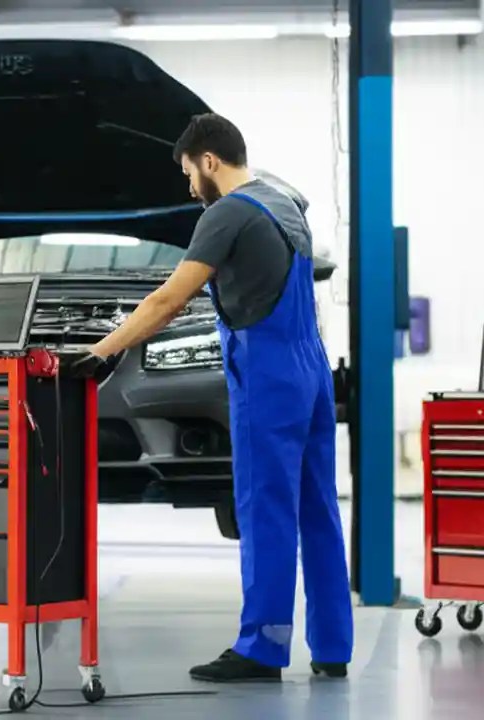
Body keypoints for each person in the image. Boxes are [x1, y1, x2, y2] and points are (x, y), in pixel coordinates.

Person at [83, 113, 352, 683]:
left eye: (188, 172)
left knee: (264, 509)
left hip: (268, 373)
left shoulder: (226, 214)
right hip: (311, 367)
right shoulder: (285, 201)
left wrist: (103, 351)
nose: (188, 187)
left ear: (209, 161)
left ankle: (262, 648)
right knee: (318, 509)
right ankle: (332, 646)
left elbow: (166, 303)